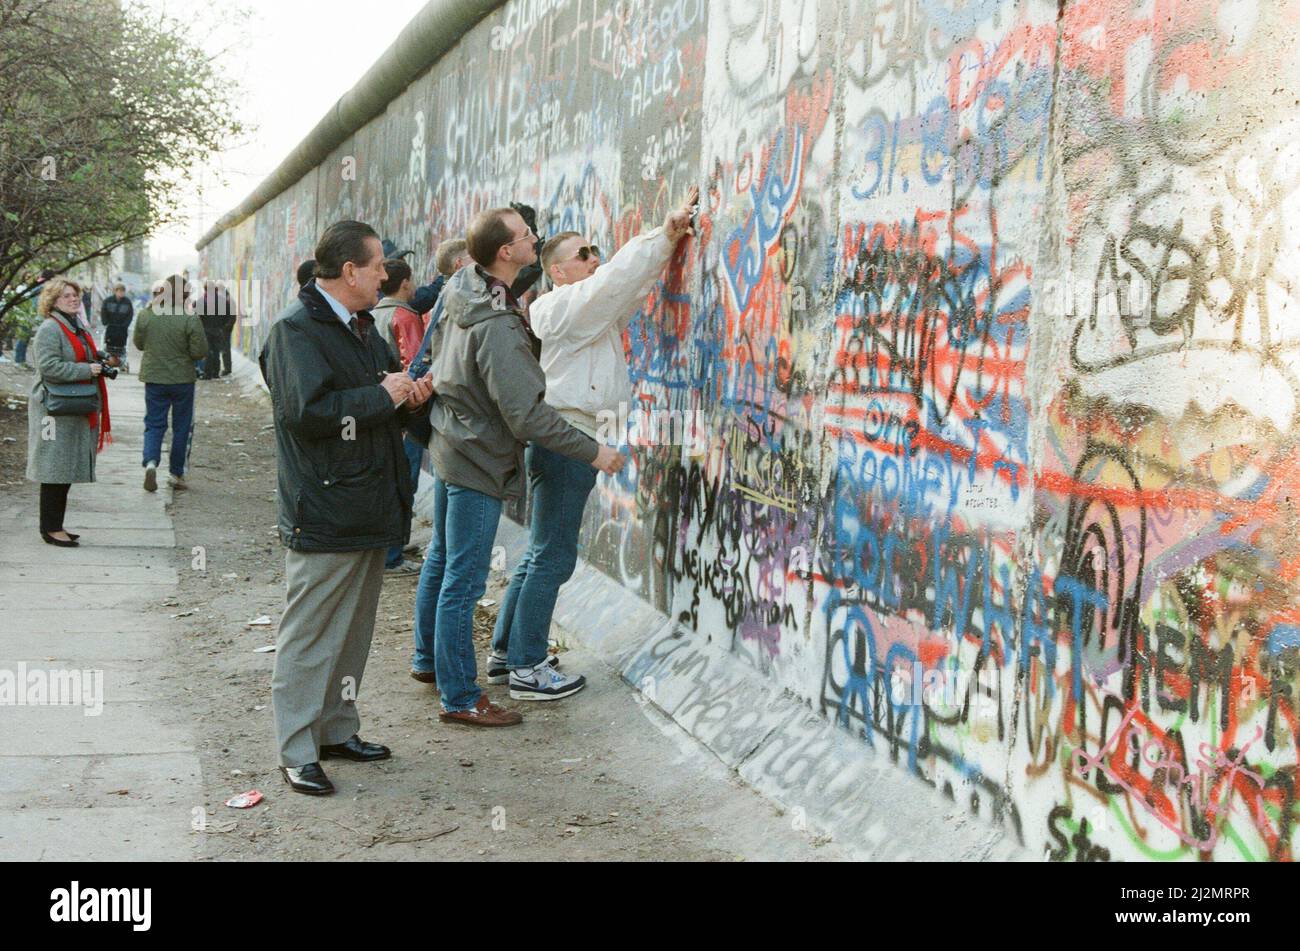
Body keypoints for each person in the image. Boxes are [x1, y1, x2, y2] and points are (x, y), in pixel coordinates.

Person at [413, 207, 623, 722]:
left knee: (443, 562)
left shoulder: (462, 286)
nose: (536, 239)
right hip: (479, 457)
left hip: (450, 441)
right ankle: (462, 698)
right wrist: (594, 451)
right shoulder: (501, 325)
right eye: (527, 236)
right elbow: (526, 415)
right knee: (464, 580)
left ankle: (430, 662)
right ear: (505, 252)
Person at [489, 188, 699, 696]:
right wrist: (663, 232)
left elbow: (623, 288)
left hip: (567, 438)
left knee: (540, 551)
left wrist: (663, 247)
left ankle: (506, 652)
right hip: (569, 440)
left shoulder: (581, 310)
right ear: (557, 270)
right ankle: (527, 667)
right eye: (581, 254)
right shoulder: (562, 307)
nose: (593, 259)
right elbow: (613, 285)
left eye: (594, 251)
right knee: (554, 557)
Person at [261, 220, 434, 795]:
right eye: (378, 264)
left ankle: (336, 729)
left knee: (353, 630)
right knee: (311, 633)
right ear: (350, 271)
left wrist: (408, 395)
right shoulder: (296, 330)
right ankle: (297, 748)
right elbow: (306, 414)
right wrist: (382, 394)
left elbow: (375, 400)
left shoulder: (359, 325)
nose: (386, 274)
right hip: (327, 506)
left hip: (366, 502)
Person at [26, 278, 114, 547]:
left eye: (75, 295)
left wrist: (98, 356)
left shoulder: (73, 327)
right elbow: (49, 366)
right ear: (52, 301)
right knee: (53, 467)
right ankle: (50, 528)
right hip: (52, 410)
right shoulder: (51, 329)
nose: (74, 299)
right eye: (66, 296)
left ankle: (55, 525)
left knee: (62, 467)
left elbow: (76, 354)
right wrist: (86, 370)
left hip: (69, 406)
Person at [371, 259, 425, 576]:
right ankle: (392, 554)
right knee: (405, 483)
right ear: (405, 282)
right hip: (404, 414)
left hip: (382, 413)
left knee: (390, 482)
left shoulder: (373, 314)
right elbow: (415, 365)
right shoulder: (403, 316)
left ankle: (389, 547)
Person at [134, 275, 207, 492]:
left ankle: (150, 462)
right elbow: (199, 351)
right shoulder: (189, 317)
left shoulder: (147, 314)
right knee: (182, 426)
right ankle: (176, 473)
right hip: (182, 380)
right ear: (184, 294)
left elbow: (138, 344)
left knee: (154, 423)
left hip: (154, 378)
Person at [197, 282, 228, 380]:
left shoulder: (202, 301)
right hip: (218, 330)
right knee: (216, 352)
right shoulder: (222, 301)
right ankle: (215, 373)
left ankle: (208, 373)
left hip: (206, 329)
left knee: (208, 352)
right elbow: (227, 316)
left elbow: (197, 316)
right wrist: (222, 326)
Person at [100, 283, 134, 373]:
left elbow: (130, 315)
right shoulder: (108, 301)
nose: (121, 293)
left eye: (122, 291)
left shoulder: (127, 302)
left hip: (122, 329)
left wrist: (126, 324)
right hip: (111, 327)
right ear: (115, 291)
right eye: (119, 291)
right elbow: (103, 312)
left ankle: (121, 361)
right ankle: (109, 359)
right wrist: (105, 322)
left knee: (121, 345)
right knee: (108, 344)